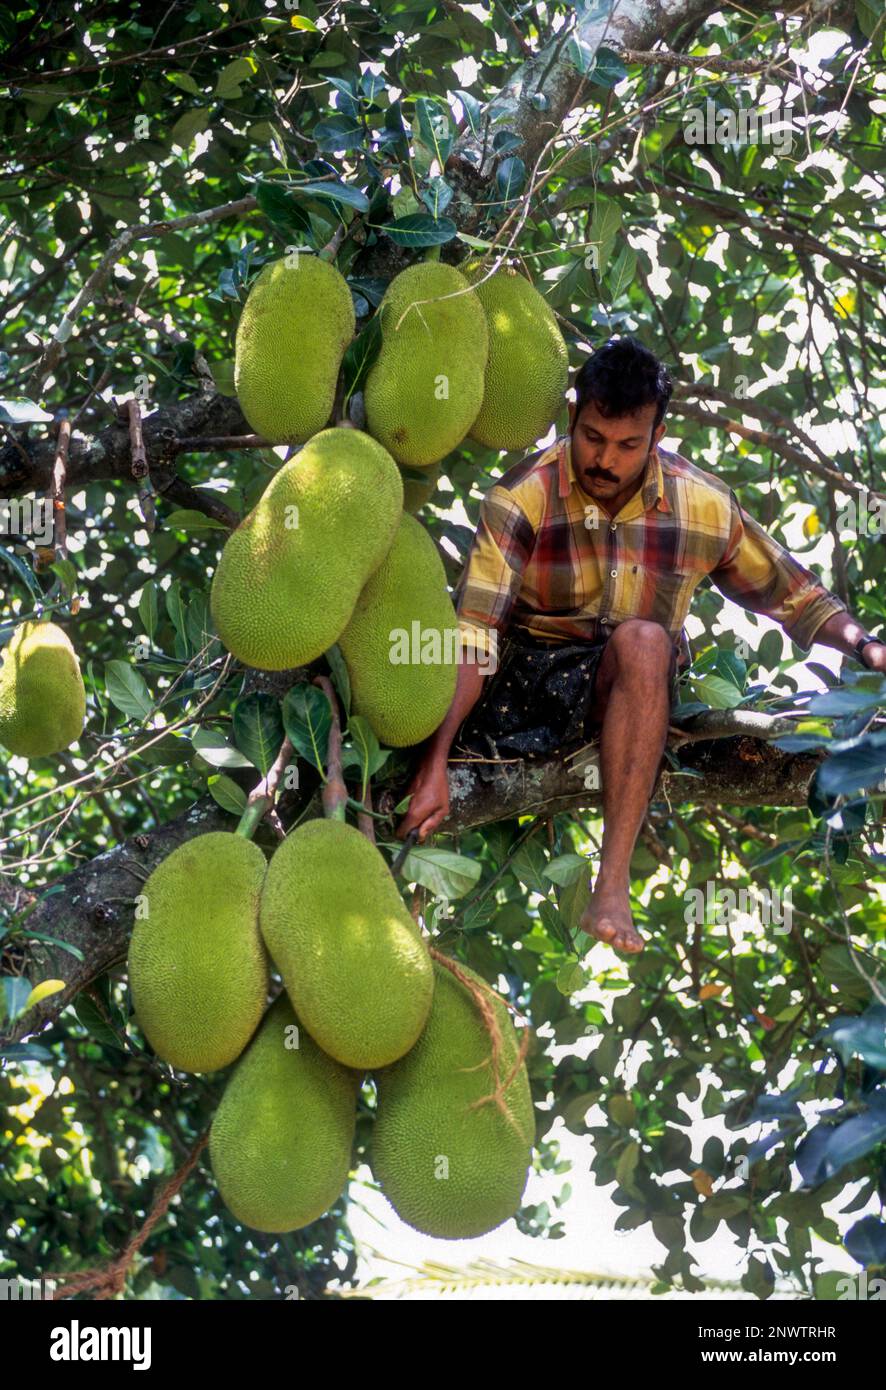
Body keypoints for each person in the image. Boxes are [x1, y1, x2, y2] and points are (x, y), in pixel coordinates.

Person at [396, 336, 886, 954]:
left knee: (646, 643)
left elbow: (793, 595)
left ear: (657, 437)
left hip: (630, 687)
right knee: (642, 643)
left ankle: (613, 881)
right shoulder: (523, 496)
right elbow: (475, 636)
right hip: (526, 686)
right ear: (573, 419)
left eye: (628, 445)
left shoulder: (702, 504)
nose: (606, 459)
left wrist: (867, 647)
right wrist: (434, 762)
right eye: (594, 437)